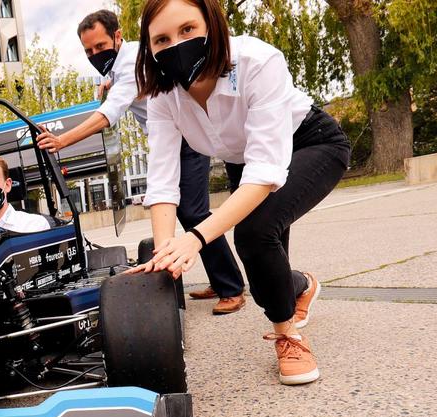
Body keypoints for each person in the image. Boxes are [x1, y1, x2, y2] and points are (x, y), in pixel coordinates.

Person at [127, 0, 351, 385]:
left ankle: (288, 336)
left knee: (253, 233)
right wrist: (166, 252)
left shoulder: (258, 61)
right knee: (266, 253)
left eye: (187, 30)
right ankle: (299, 287)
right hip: (243, 158)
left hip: (309, 143)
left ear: (212, 25)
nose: (176, 44)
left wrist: (195, 239)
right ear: (149, 49)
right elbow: (163, 178)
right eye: (161, 39)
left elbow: (265, 171)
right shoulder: (163, 96)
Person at [36, 9, 246, 315]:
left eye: (101, 46)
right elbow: (125, 88)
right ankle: (222, 280)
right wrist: (108, 83)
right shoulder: (123, 64)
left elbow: (108, 115)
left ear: (118, 36)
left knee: (193, 211)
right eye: (89, 51)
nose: (95, 55)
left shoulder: (133, 63)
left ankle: (231, 288)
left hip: (187, 137)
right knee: (191, 213)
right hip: (171, 139)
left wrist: (61, 140)